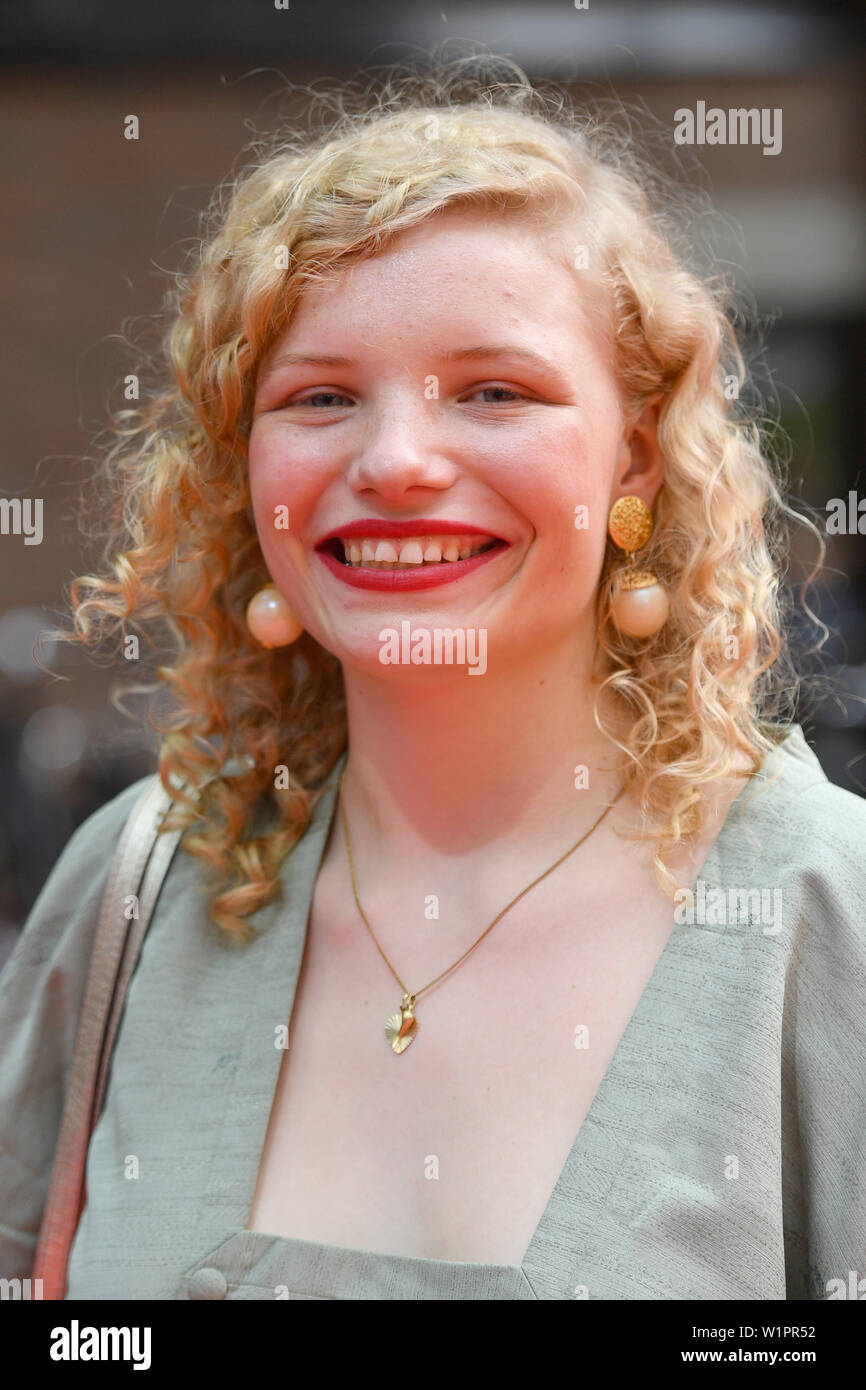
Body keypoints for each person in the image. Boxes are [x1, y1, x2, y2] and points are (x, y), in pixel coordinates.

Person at [1, 54, 864, 1301]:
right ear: (246, 473)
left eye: (493, 390)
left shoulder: (822, 918)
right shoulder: (133, 893)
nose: (396, 459)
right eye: (321, 396)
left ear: (632, 461)